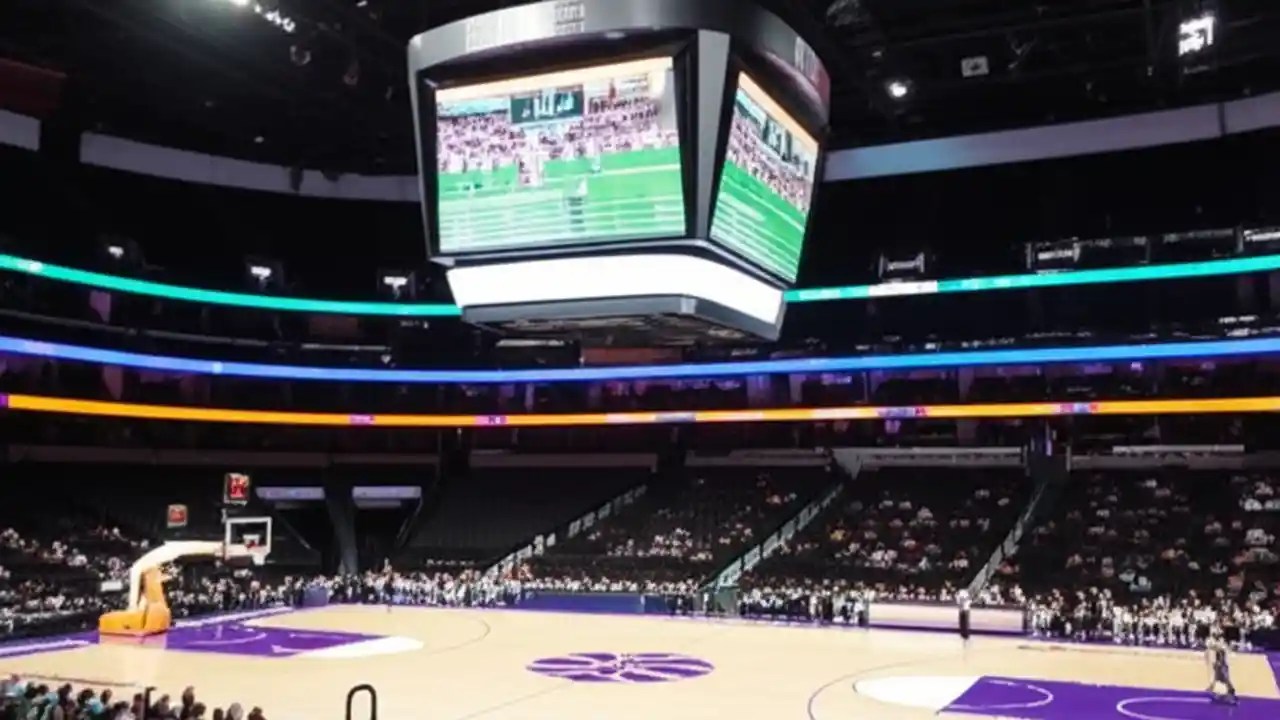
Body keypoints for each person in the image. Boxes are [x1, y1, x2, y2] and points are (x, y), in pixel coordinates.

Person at [1206, 629, 1238, 705]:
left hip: (1222, 664)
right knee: (1217, 677)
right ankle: (1212, 689)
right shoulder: (1219, 643)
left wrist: (1219, 663)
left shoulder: (1221, 643)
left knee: (1225, 679)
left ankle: (1231, 692)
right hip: (1220, 663)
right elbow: (1214, 649)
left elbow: (1220, 652)